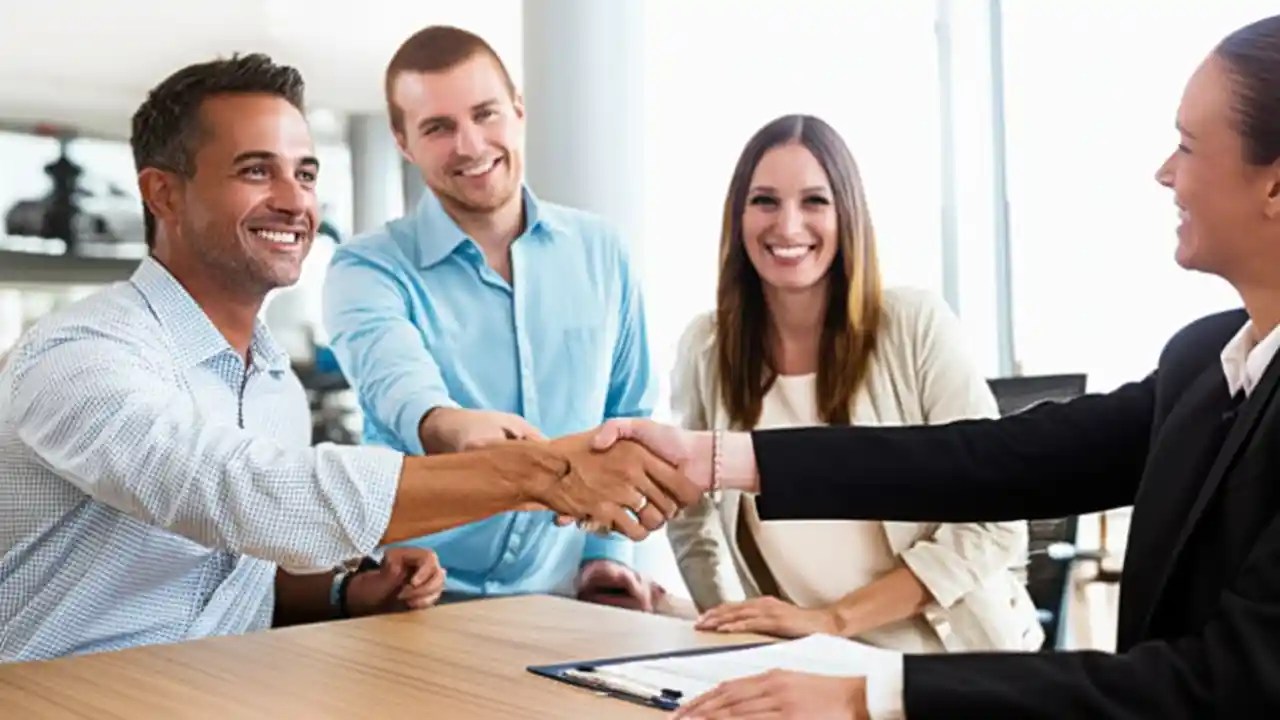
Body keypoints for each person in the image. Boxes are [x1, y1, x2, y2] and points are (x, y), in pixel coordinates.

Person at [593, 14, 1280, 718]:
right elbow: (994, 459)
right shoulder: (1205, 360)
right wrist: (714, 458)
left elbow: (1220, 684)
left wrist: (871, 695)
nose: (1165, 172)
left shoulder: (913, 322)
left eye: (1188, 147)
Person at [0, 54, 698, 663]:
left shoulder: (270, 385)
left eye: (304, 173)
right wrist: (541, 474)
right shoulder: (78, 354)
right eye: (255, 170)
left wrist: (345, 590)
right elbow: (236, 493)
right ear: (163, 193)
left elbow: (220, 576)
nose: (294, 200)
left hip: (209, 691)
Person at [666, 114, 1041, 653]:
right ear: (738, 216)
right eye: (765, 201)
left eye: (815, 201)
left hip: (954, 662)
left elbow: (996, 524)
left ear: (848, 214)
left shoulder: (915, 324)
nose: (788, 226)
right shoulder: (706, 346)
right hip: (812, 669)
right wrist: (732, 625)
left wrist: (833, 620)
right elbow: (690, 516)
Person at [323, 26, 665, 611]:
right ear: (404, 143)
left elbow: (624, 414)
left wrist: (607, 557)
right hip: (411, 602)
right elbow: (398, 388)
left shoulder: (602, 249)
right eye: (438, 127)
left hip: (562, 604)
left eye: (486, 114)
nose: (471, 144)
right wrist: (450, 426)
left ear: (519, 111)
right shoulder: (367, 267)